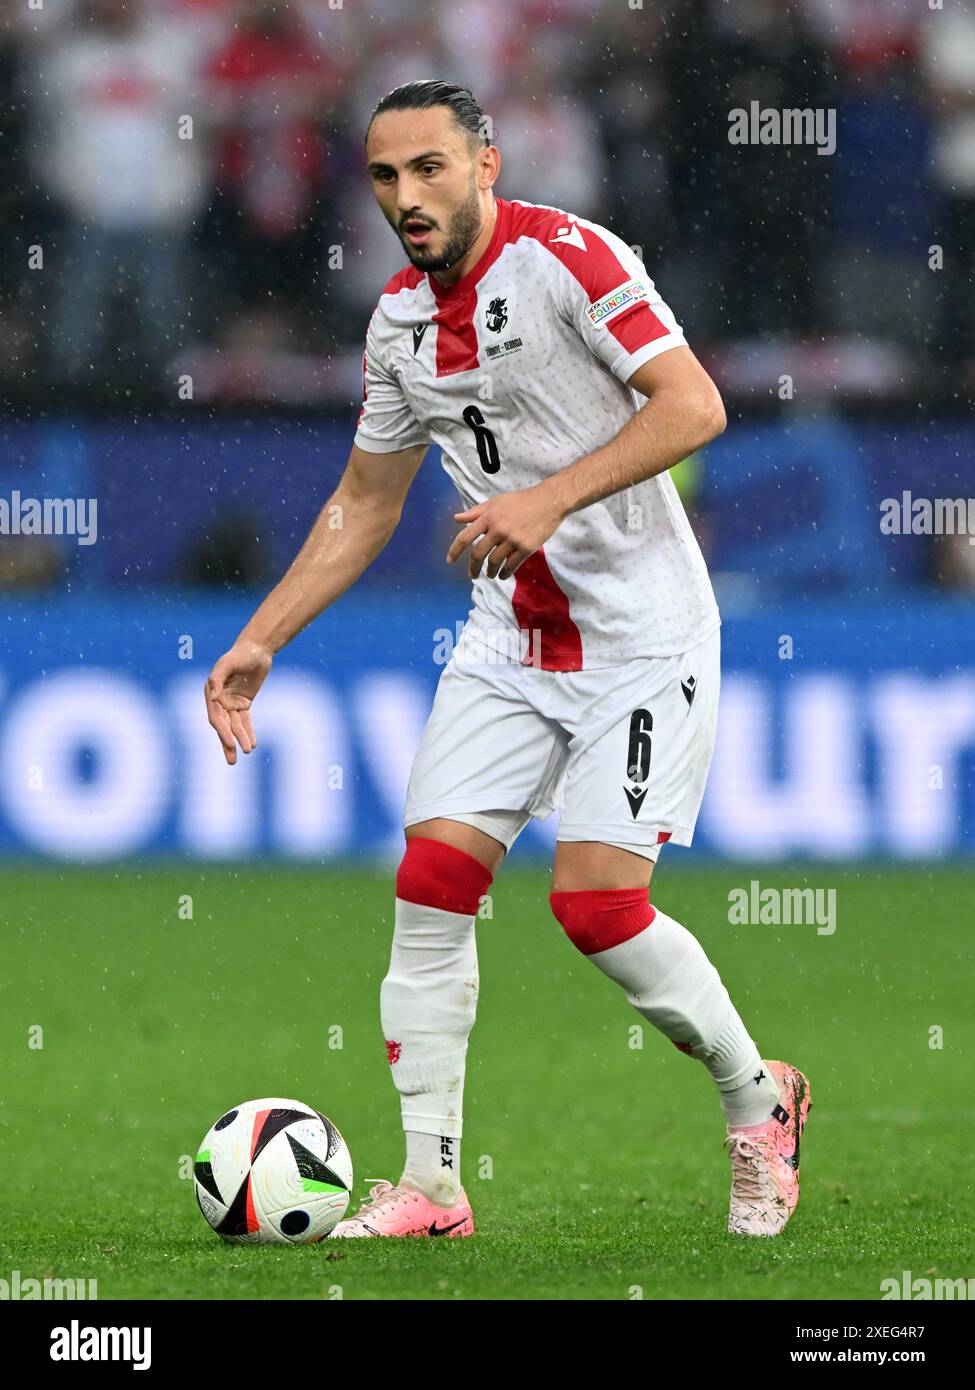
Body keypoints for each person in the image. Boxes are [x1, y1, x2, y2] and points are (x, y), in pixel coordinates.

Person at [204, 79, 811, 1240]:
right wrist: (258, 639)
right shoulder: (395, 324)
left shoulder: (572, 258)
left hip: (644, 636)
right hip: (511, 643)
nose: (407, 197)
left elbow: (695, 406)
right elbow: (364, 504)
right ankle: (433, 1185)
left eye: (430, 168)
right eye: (386, 177)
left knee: (593, 906)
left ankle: (757, 1098)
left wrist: (549, 496)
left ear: (487, 162)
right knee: (430, 882)